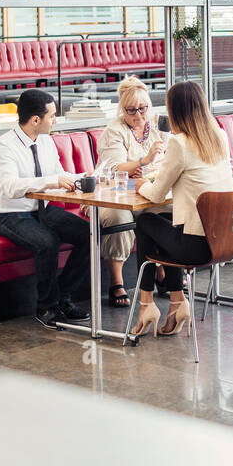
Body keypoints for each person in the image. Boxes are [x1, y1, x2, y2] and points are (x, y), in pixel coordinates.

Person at [129, 80, 232, 338]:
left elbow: (155, 193)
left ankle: (147, 306)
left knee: (145, 223)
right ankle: (177, 302)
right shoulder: (219, 135)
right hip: (226, 240)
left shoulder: (180, 143)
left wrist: (141, 183)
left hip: (196, 247)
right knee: (165, 219)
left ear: (175, 110)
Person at [0, 88, 92, 328]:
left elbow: (57, 176)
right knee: (47, 242)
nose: (55, 120)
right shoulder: (4, 147)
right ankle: (46, 307)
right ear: (36, 120)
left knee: (89, 234)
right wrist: (53, 181)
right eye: (52, 116)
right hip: (8, 214)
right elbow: (11, 187)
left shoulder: (46, 141)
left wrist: (83, 177)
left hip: (40, 209)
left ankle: (62, 299)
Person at [95, 76, 167, 307]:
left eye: (143, 109)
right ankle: (117, 281)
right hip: (112, 191)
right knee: (118, 216)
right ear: (122, 109)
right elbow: (114, 167)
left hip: (147, 188)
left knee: (169, 209)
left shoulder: (157, 125)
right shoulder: (114, 130)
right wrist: (144, 160)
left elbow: (168, 159)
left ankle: (163, 267)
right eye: (131, 110)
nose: (138, 115)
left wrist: (147, 169)